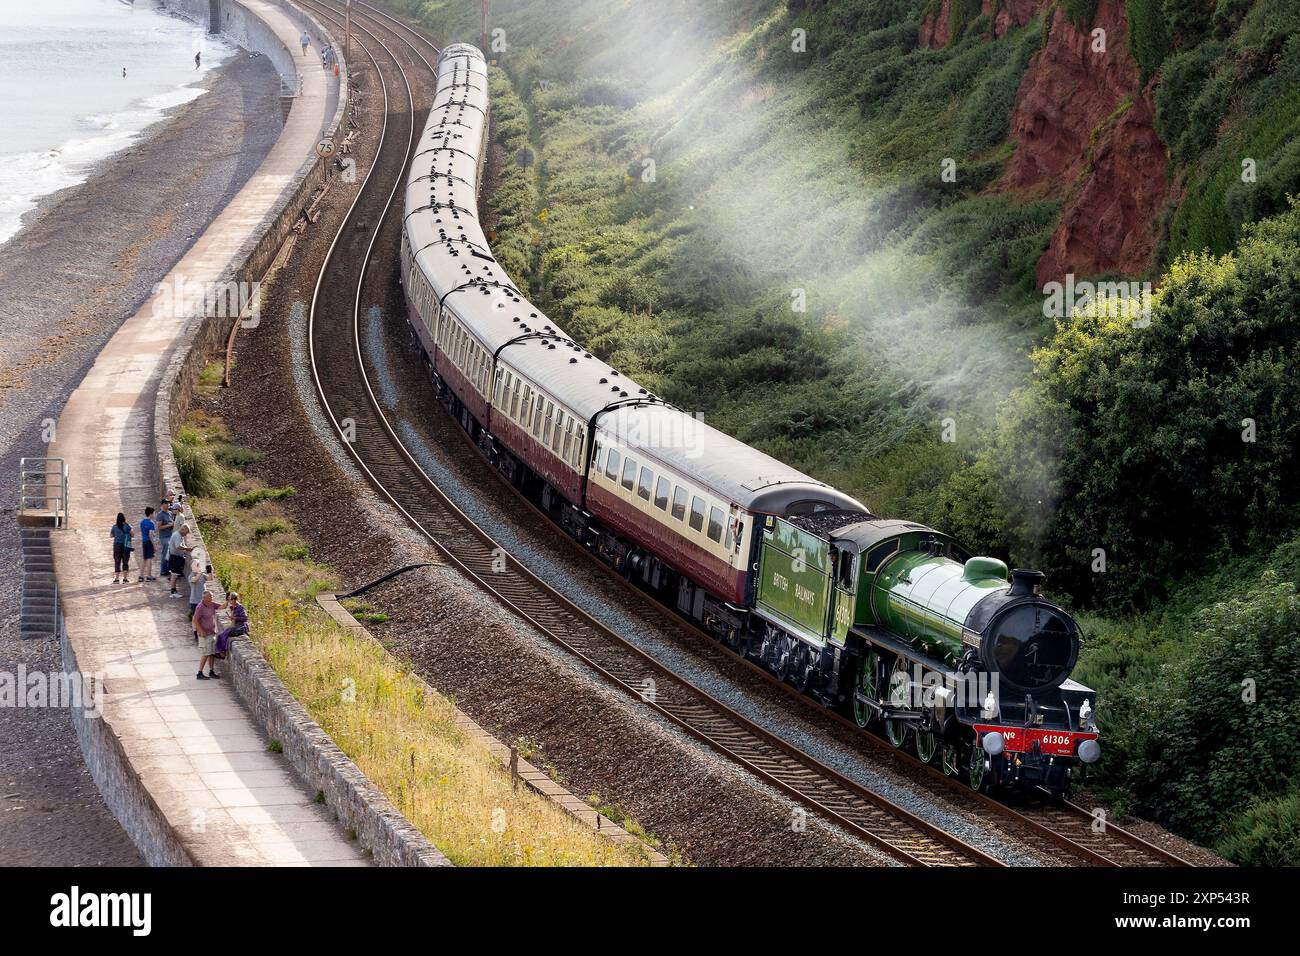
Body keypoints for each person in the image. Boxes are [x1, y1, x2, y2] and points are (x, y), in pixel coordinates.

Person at [193, 592, 221, 680]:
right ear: (205, 598)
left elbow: (222, 607)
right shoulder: (200, 607)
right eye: (210, 596)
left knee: (211, 654)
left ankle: (211, 671)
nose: (212, 597)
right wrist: (201, 631)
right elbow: (195, 620)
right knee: (205, 654)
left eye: (212, 596)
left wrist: (229, 599)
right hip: (204, 635)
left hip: (212, 633)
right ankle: (199, 673)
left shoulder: (212, 604)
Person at [216, 592, 249, 656]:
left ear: (234, 599)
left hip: (241, 627)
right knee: (221, 635)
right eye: (229, 599)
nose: (230, 601)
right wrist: (232, 618)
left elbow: (245, 618)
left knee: (225, 634)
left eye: (230, 599)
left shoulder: (240, 607)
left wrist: (235, 618)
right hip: (235, 626)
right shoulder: (232, 607)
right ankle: (220, 651)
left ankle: (222, 652)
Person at [168, 524, 193, 597]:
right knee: (174, 575)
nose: (186, 534)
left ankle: (173, 591)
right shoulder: (177, 536)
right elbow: (178, 546)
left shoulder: (178, 535)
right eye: (186, 532)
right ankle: (173, 592)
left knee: (174, 575)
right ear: (183, 529)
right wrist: (187, 549)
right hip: (175, 557)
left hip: (175, 557)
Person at [189, 563, 213, 640]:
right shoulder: (191, 575)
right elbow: (194, 580)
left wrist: (210, 571)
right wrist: (201, 572)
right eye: (198, 565)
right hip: (194, 601)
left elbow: (210, 579)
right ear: (193, 567)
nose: (199, 566)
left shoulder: (202, 575)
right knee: (195, 618)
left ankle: (202, 632)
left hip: (203, 601)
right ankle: (195, 633)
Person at [109, 513, 133, 584]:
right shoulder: (127, 526)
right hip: (125, 545)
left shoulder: (114, 526)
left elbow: (111, 535)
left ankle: (116, 579)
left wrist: (116, 535)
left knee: (117, 561)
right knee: (125, 562)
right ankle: (125, 579)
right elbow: (132, 534)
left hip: (117, 546)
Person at [138, 507, 157, 582]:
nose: (154, 514)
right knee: (149, 559)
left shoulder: (142, 522)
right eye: (154, 513)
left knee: (144, 559)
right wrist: (154, 545)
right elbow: (150, 535)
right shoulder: (151, 523)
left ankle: (141, 575)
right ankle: (149, 575)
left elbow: (145, 532)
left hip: (144, 541)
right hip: (149, 542)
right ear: (151, 514)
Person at [156, 500, 175, 578]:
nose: (168, 505)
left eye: (168, 503)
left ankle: (168, 569)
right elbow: (159, 527)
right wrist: (169, 525)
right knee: (165, 553)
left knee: (170, 553)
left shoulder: (170, 513)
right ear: (162, 505)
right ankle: (163, 571)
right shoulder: (160, 515)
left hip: (171, 535)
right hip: (164, 537)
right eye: (166, 503)